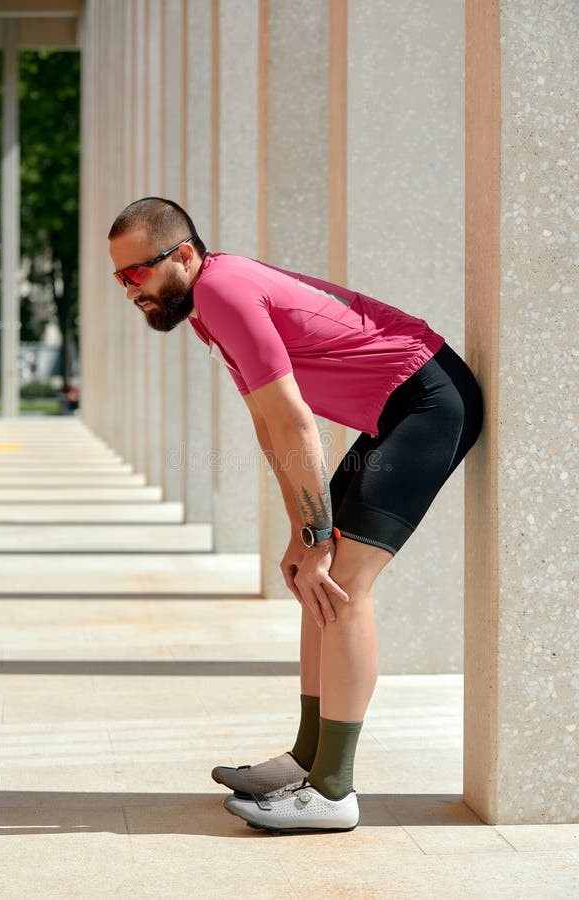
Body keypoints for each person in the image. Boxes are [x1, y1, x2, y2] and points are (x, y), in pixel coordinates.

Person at [108, 196, 484, 835]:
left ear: (186, 256)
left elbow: (294, 420)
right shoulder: (209, 307)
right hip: (399, 413)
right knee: (317, 581)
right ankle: (305, 761)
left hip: (429, 404)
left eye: (138, 273)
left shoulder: (223, 291)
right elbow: (268, 424)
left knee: (342, 585)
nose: (129, 290)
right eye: (120, 278)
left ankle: (333, 790)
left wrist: (317, 536)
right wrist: (300, 533)